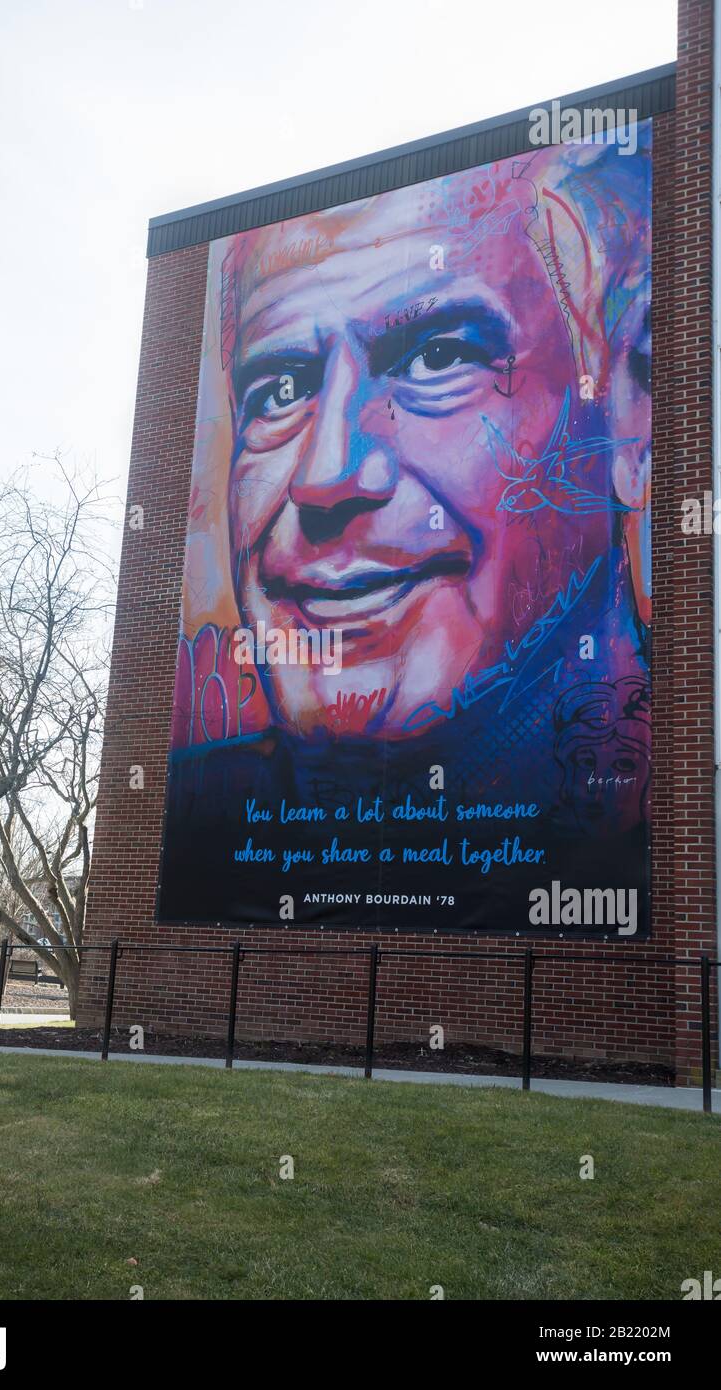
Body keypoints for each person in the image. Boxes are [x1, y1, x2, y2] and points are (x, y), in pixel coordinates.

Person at [160, 129, 652, 931]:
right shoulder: (196, 817)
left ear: (628, 421)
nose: (326, 474)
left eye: (436, 357)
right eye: (280, 389)